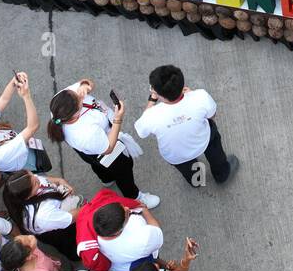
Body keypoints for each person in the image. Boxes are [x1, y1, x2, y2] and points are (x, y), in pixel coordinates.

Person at [48, 79, 160, 209]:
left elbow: (86, 82)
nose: (80, 95)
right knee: (124, 169)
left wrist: (85, 85)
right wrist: (118, 119)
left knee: (97, 165)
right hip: (104, 145)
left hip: (89, 150)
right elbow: (108, 148)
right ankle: (134, 197)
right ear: (75, 114)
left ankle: (106, 179)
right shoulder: (84, 133)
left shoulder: (61, 101)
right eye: (79, 99)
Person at [134, 64, 239, 186]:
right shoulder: (200, 96)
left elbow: (141, 131)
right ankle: (222, 174)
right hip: (203, 140)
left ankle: (197, 181)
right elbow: (211, 115)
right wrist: (192, 94)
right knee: (214, 142)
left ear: (158, 93)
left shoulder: (151, 115)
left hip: (177, 154)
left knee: (187, 168)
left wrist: (152, 99)